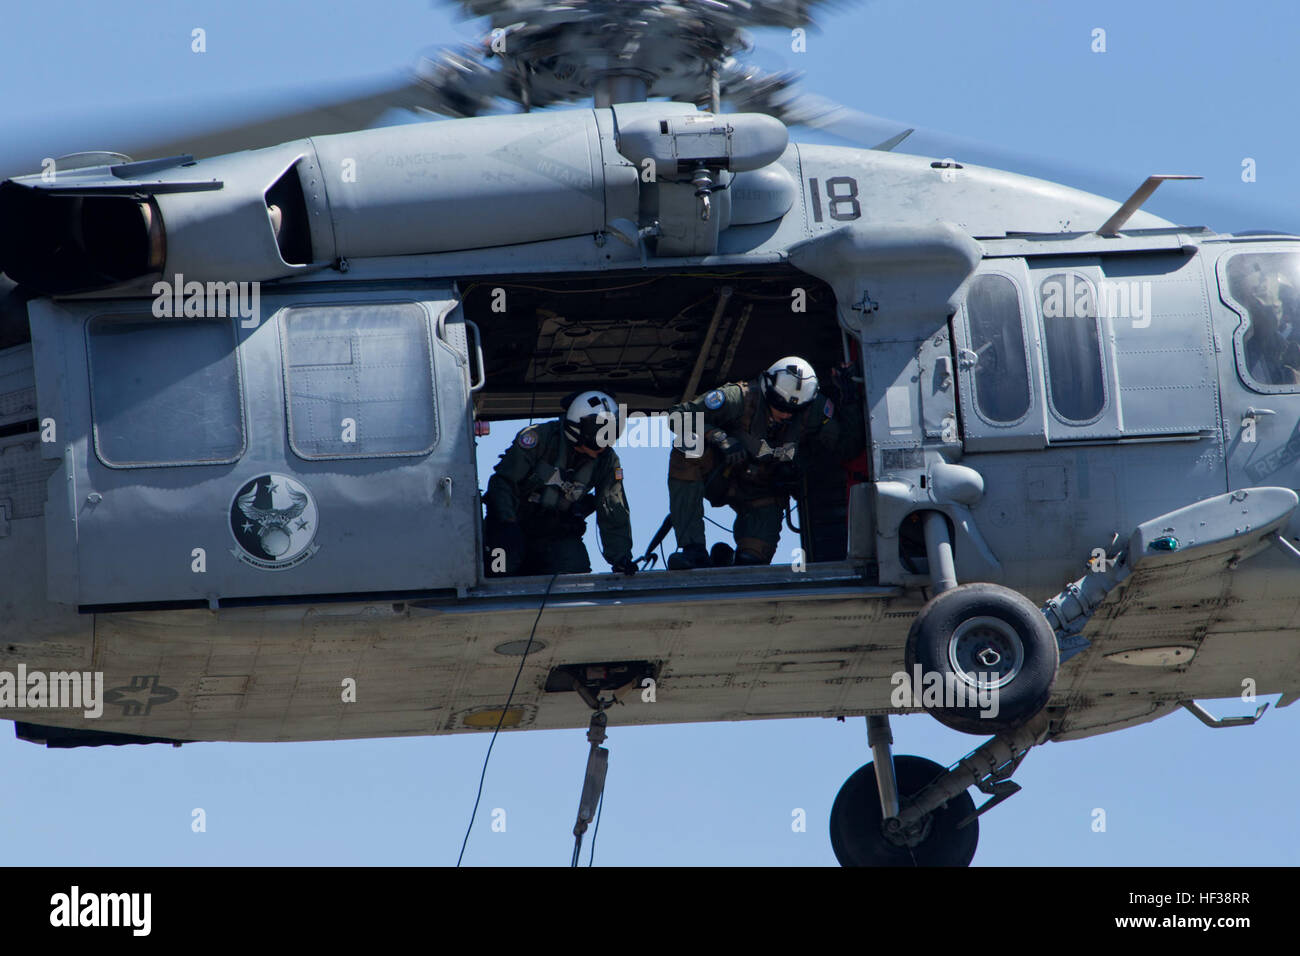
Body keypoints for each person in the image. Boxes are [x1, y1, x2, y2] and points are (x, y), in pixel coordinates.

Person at [665, 356, 862, 569]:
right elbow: (678, 417)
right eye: (779, 405)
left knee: (750, 566)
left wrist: (850, 400)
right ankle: (693, 550)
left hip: (764, 492)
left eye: (793, 410)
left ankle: (729, 560)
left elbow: (847, 449)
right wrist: (720, 438)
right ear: (767, 391)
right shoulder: (739, 398)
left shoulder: (816, 411)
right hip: (722, 475)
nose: (785, 414)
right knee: (687, 448)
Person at [484, 390, 637, 576]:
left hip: (556, 533)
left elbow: (612, 507)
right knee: (497, 571)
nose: (604, 445)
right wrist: (506, 524)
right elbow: (503, 484)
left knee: (575, 574)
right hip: (511, 526)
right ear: (579, 430)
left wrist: (621, 557)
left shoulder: (606, 461)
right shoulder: (539, 439)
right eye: (600, 437)